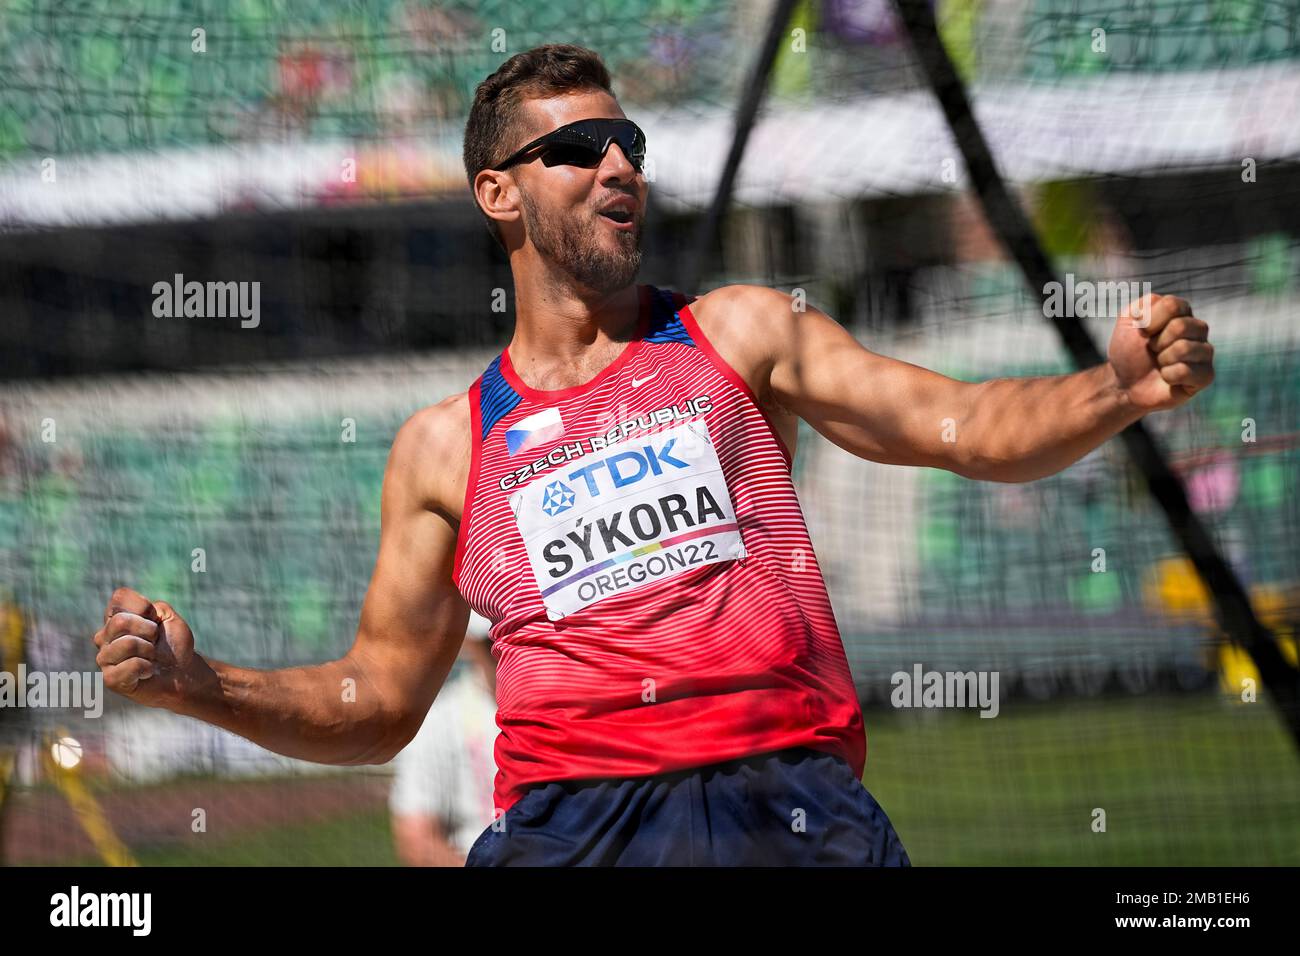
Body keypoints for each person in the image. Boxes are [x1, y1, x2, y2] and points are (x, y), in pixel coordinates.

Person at [92, 44, 1215, 866]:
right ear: (499, 193)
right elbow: (378, 696)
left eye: (628, 141)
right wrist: (203, 683)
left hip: (785, 804)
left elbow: (963, 427)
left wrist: (1112, 388)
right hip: (567, 831)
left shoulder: (741, 333)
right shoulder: (446, 445)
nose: (617, 162)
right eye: (576, 148)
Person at [389, 613, 497, 866]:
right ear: (468, 642)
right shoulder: (440, 719)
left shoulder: (571, 708)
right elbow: (416, 838)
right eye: (490, 643)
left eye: (513, 636)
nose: (503, 651)